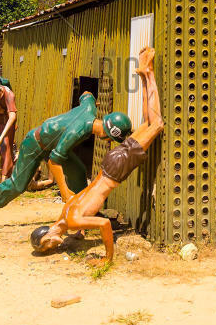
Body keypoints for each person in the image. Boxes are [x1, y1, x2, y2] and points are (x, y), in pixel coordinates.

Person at [30, 47, 162, 263]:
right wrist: (77, 234)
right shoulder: (66, 211)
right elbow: (81, 212)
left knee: (156, 124)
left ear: (46, 237)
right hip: (110, 165)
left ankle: (148, 73)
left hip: (115, 171)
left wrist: (106, 258)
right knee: (147, 123)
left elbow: (104, 224)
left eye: (49, 247)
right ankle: (145, 74)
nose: (54, 247)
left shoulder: (71, 220)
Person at [0, 86, 132, 231]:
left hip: (50, 144)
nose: (110, 142)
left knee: (79, 172)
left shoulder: (90, 110)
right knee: (18, 184)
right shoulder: (78, 131)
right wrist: (65, 191)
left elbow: (87, 94)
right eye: (112, 139)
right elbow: (55, 161)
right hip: (35, 144)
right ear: (110, 134)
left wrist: (90, 100)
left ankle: (88, 214)